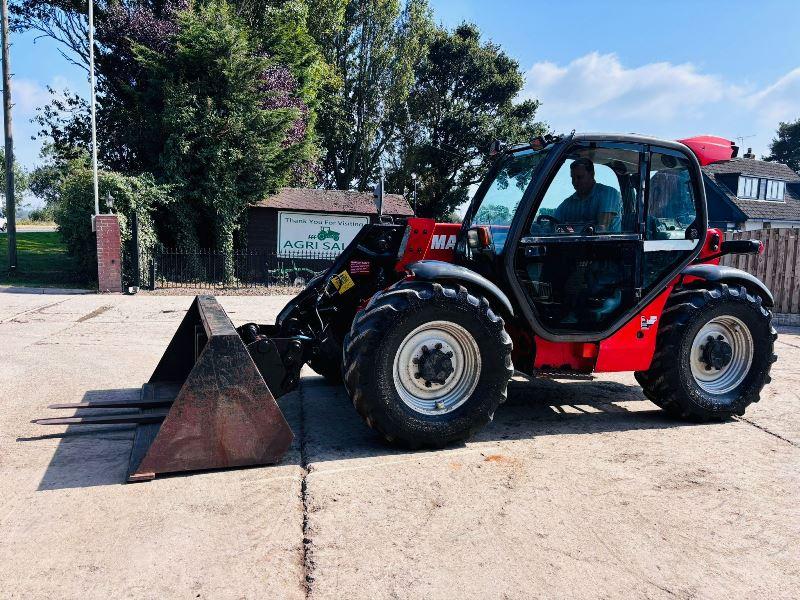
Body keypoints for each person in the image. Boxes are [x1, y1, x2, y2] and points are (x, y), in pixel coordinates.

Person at [553, 157, 622, 232]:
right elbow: (552, 224)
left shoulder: (608, 194)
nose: (575, 182)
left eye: (579, 177)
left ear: (592, 174)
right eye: (573, 178)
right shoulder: (568, 203)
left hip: (606, 243)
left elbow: (602, 229)